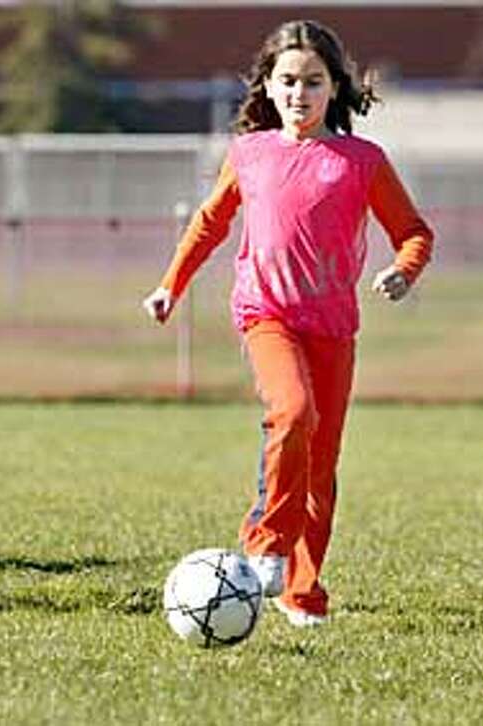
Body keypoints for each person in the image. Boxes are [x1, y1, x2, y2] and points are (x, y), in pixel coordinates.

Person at [142, 20, 433, 627]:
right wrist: (172, 282)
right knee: (293, 412)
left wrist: (404, 271)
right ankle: (266, 543)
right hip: (265, 313)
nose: (299, 93)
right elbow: (209, 222)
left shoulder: (361, 161)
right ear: (268, 87)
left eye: (313, 82)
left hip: (333, 326)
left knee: (320, 467)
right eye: (288, 81)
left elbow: (412, 232)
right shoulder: (250, 154)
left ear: (334, 88)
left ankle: (302, 593)